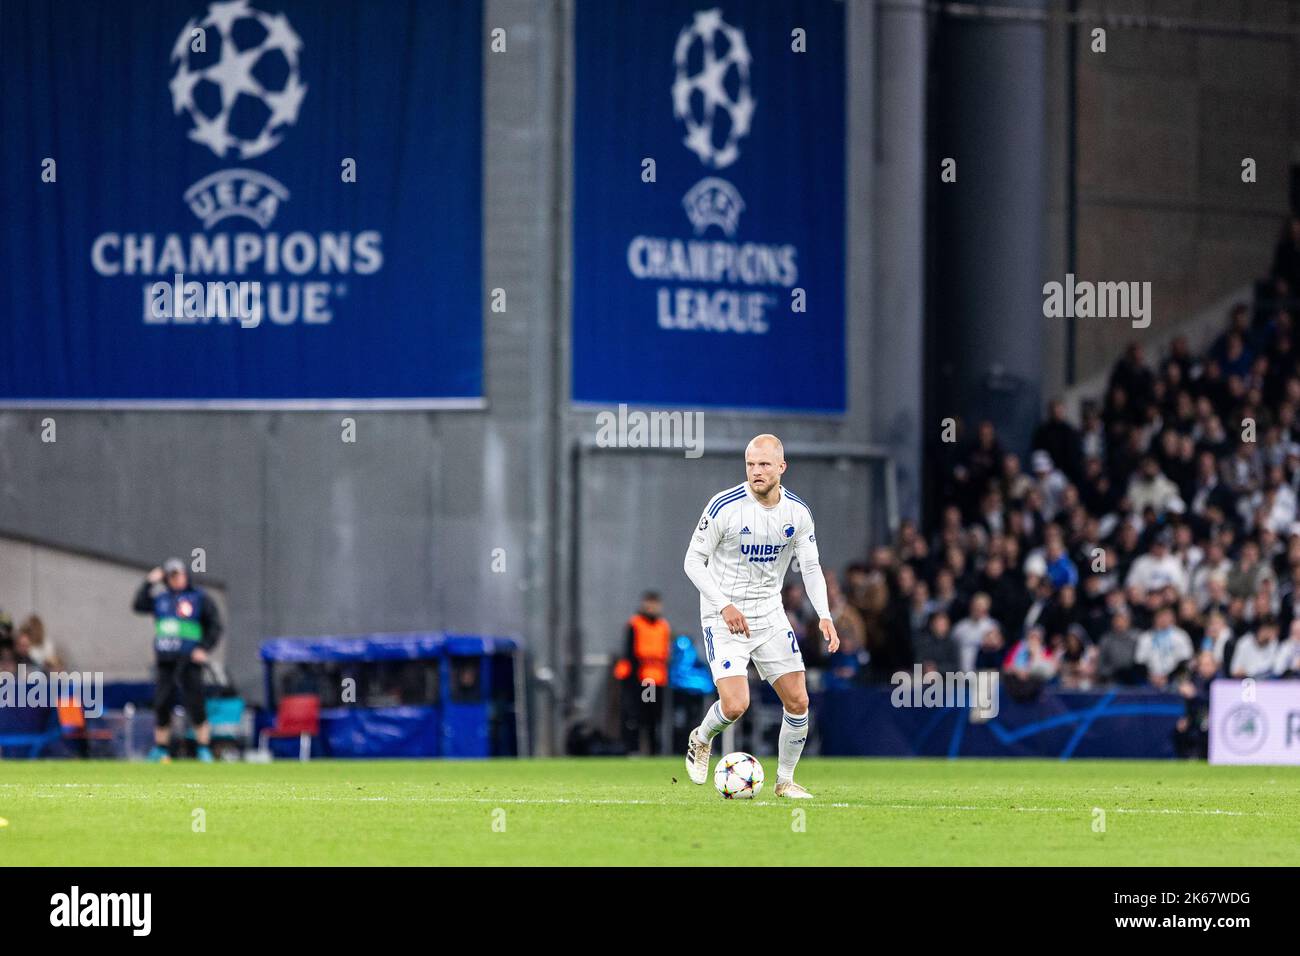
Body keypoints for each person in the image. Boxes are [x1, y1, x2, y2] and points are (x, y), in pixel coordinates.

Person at [682, 434, 839, 798]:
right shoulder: (724, 506)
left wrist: (825, 615)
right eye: (751, 464)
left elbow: (811, 568)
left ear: (782, 468)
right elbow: (692, 561)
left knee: (798, 701)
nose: (756, 471)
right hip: (724, 613)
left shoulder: (797, 513)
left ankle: (785, 781)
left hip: (768, 613)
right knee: (736, 705)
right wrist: (724, 605)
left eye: (764, 464)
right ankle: (701, 737)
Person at [132, 558, 222, 762]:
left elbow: (215, 625)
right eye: (171, 575)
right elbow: (138, 605)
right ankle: (161, 748)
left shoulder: (198, 597)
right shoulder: (161, 598)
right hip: (166, 659)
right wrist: (149, 582)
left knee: (195, 702)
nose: (176, 579)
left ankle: (203, 748)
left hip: (189, 659)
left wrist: (203, 648)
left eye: (178, 574)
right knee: (162, 703)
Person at [615, 591, 670, 755]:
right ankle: (634, 748)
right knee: (637, 714)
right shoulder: (636, 624)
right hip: (642, 678)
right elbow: (630, 652)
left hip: (655, 678)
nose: (651, 607)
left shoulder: (663, 626)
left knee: (652, 715)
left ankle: (653, 750)